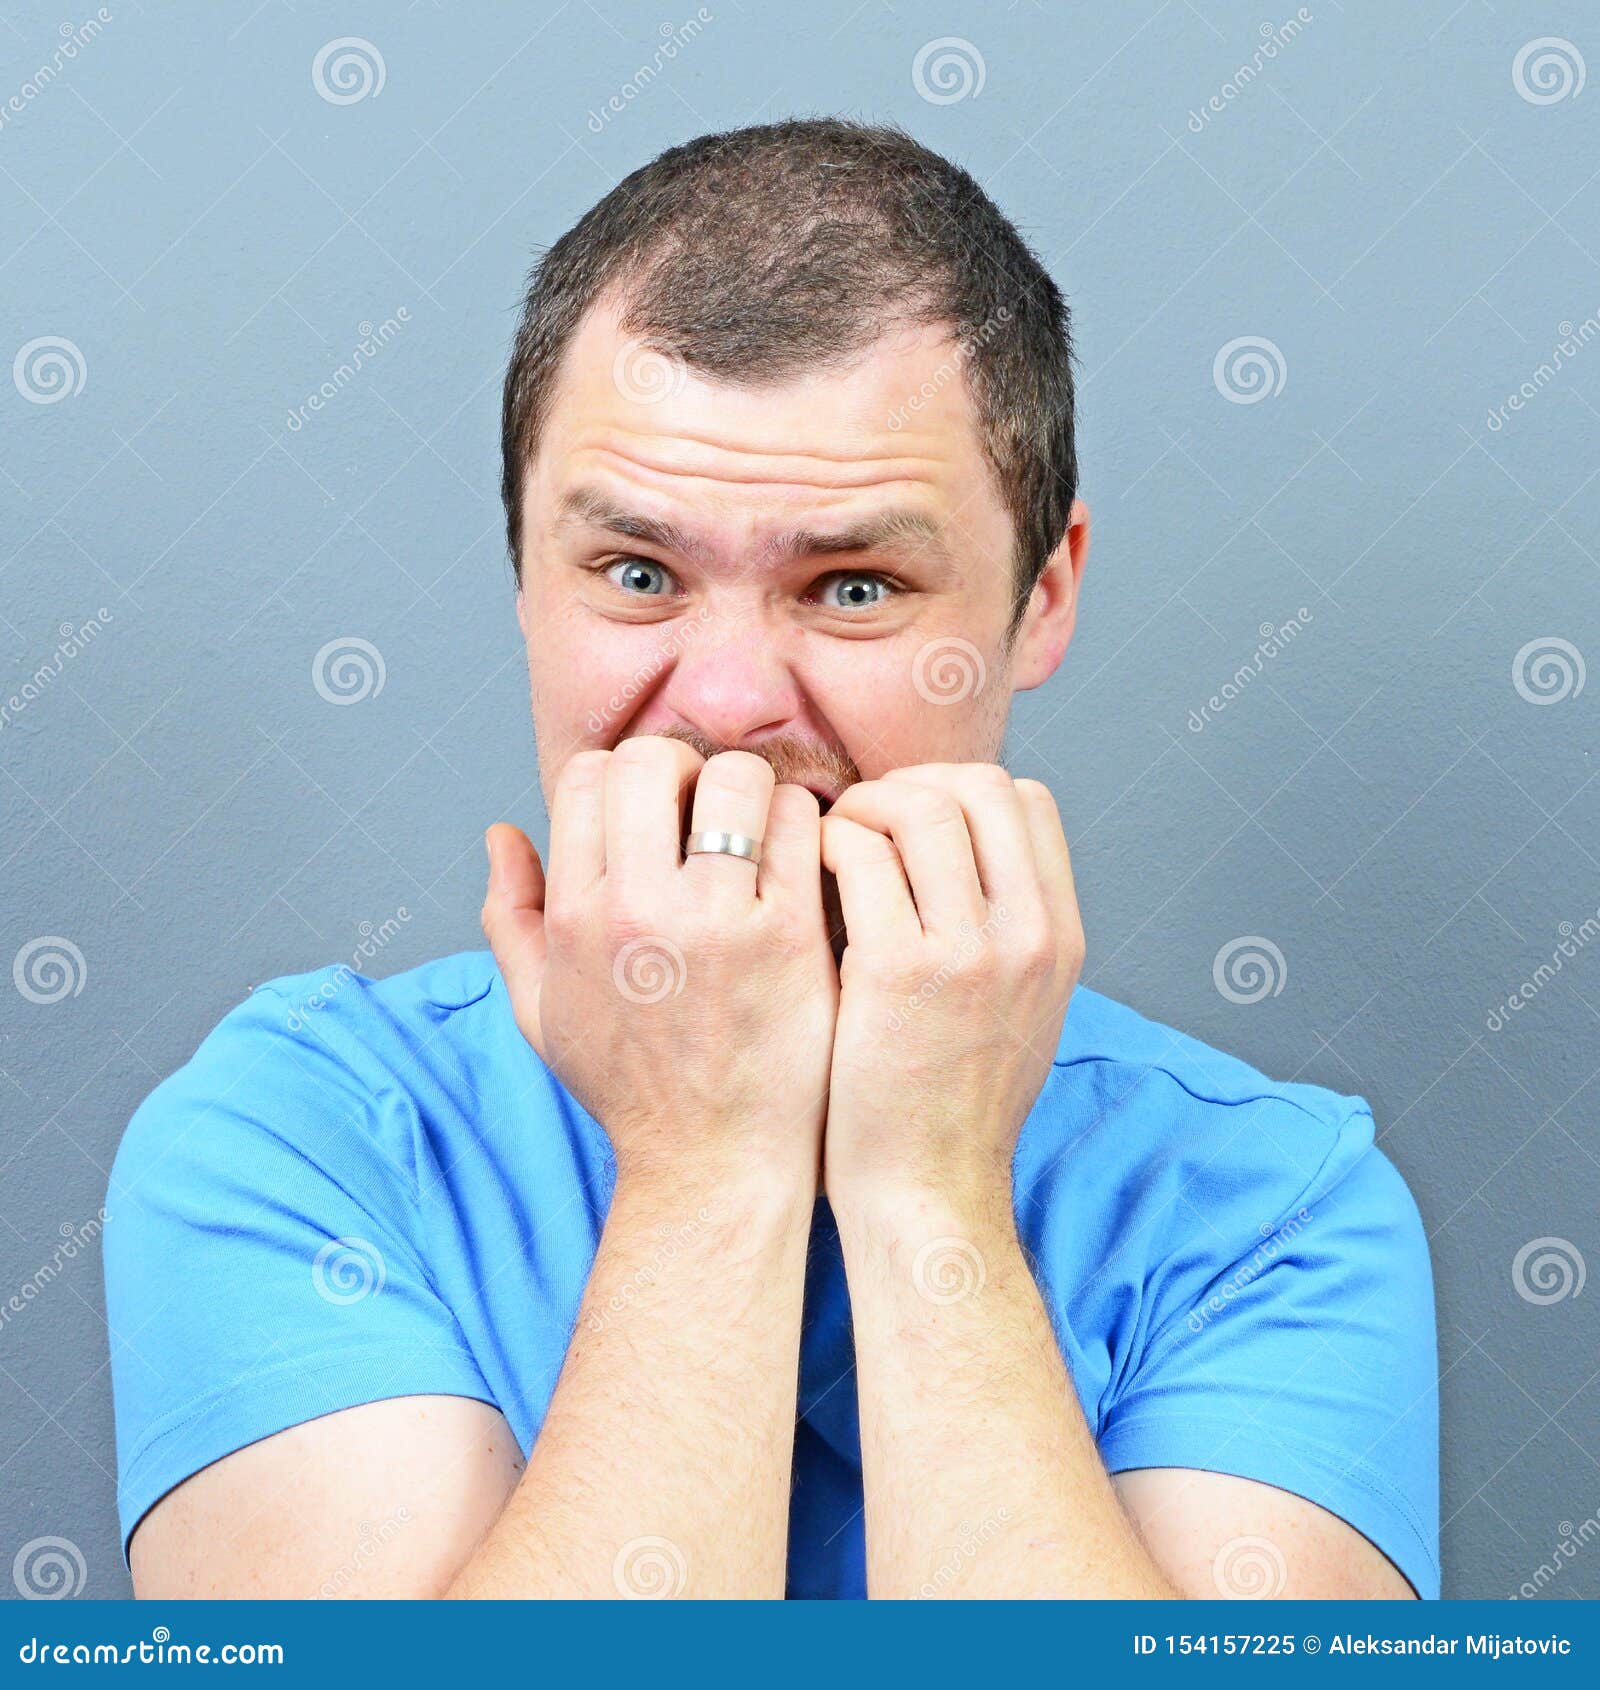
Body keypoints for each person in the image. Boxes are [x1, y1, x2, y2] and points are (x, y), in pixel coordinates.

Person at [105, 117, 1438, 1600]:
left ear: (1042, 597)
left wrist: (930, 1187)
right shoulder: (293, 1135)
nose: (730, 700)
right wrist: (704, 1168)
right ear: (525, 583)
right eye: (636, 573)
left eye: (853, 583)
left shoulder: (1273, 1209)